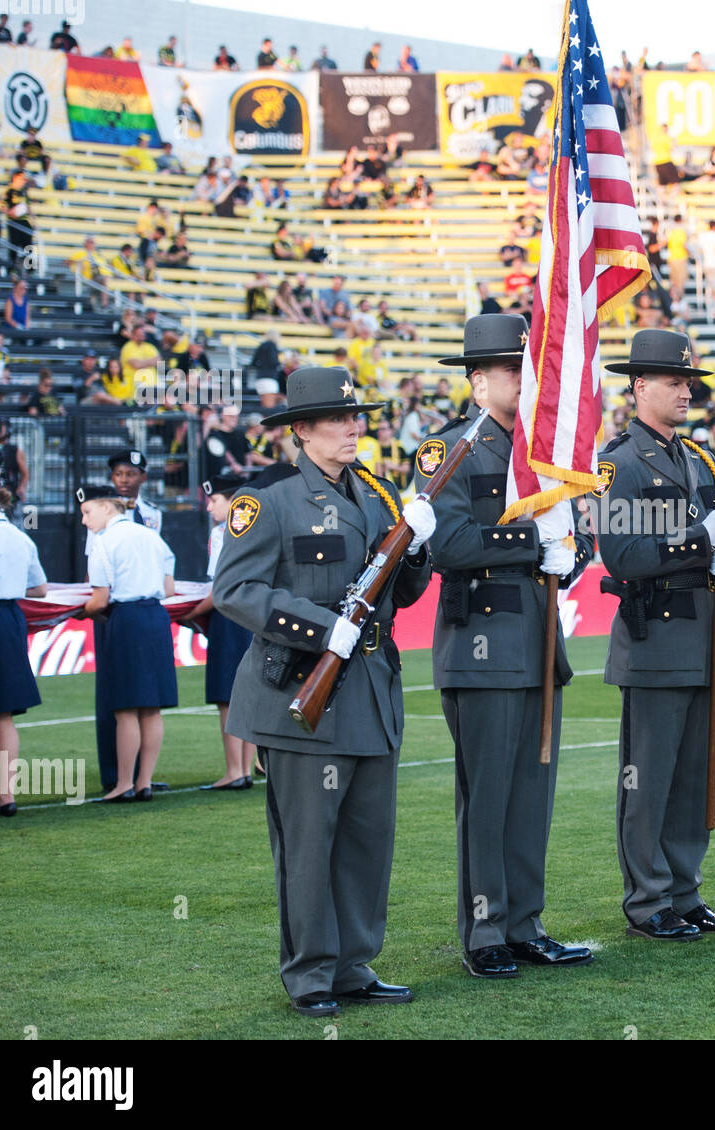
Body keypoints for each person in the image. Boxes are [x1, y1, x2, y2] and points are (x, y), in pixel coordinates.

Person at [212, 367, 435, 1018]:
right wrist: (320, 626)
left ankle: (354, 965)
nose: (353, 427)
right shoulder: (269, 499)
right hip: (302, 695)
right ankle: (310, 973)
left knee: (368, 838)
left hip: (369, 689)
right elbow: (236, 592)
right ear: (301, 430)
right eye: (338, 419)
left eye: (357, 416)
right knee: (309, 846)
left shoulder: (377, 493)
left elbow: (405, 594)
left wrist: (417, 548)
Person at [418, 314, 594, 979]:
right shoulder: (452, 450)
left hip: (538, 641)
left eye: (528, 369)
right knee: (487, 801)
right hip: (482, 646)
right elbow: (449, 544)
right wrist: (530, 544)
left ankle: (526, 924)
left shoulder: (541, 451)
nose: (523, 381)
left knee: (530, 799)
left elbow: (570, 543)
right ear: (477, 379)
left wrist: (570, 551)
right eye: (511, 371)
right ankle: (485, 931)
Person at [596, 328, 715, 941]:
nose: (686, 391)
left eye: (688, 381)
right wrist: (699, 543)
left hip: (705, 635)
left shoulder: (698, 459)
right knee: (648, 778)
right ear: (639, 388)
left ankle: (685, 891)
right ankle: (648, 899)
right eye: (675, 381)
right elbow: (622, 555)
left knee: (691, 776)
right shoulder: (618, 462)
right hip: (655, 638)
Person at [79, 484, 177, 804]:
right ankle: (144, 782)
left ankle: (123, 783)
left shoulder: (104, 542)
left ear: (107, 508)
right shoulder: (151, 536)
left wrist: (81, 612)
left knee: (125, 709)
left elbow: (99, 598)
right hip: (156, 617)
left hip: (126, 619)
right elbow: (169, 587)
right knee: (150, 708)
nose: (84, 520)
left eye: (87, 511)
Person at [0, 471, 47, 819]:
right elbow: (39, 588)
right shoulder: (20, 537)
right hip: (10, 618)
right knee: (4, 714)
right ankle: (6, 795)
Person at [188, 474, 257, 791]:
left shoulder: (222, 532)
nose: (210, 507)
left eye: (214, 500)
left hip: (229, 619)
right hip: (255, 615)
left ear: (232, 501)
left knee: (227, 697)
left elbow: (219, 590)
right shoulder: (259, 527)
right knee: (250, 694)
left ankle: (234, 770)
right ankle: (247, 766)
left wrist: (188, 612)